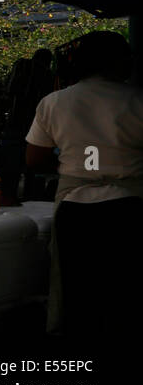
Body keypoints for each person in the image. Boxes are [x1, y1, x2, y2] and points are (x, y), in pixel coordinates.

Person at [25, 30, 143, 335]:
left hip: (75, 211)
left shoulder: (54, 102)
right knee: (125, 296)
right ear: (118, 61)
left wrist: (71, 167)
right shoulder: (136, 99)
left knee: (77, 294)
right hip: (128, 209)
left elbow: (34, 158)